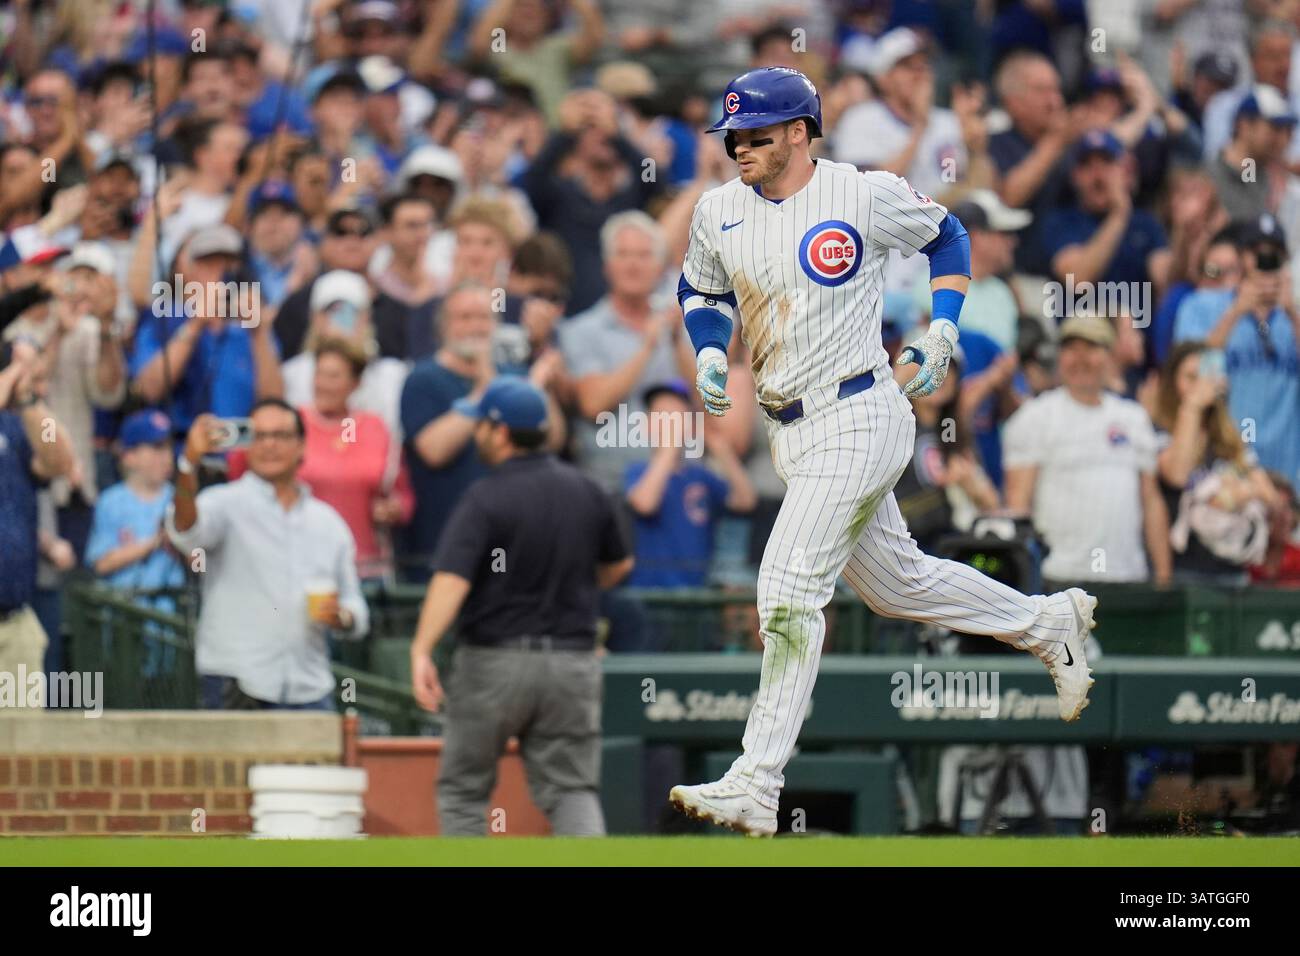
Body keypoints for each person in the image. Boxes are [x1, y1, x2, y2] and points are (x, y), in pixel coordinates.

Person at [667, 68, 1100, 837]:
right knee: (898, 586)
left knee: (788, 587)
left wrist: (942, 327)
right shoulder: (716, 209)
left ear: (800, 133)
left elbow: (949, 235)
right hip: (788, 427)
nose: (739, 147)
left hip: (863, 407)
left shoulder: (861, 193)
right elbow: (702, 293)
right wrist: (707, 351)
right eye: (731, 135)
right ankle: (1047, 621)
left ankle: (756, 782)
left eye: (757, 134)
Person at [409, 376, 634, 836]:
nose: (476, 436)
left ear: (500, 432)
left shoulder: (485, 496)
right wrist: (572, 577)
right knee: (572, 790)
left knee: (463, 791)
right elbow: (619, 564)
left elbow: (451, 579)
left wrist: (421, 649)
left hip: (494, 662)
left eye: (481, 427)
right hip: (571, 662)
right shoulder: (587, 490)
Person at [167, 399, 369, 710]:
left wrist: (342, 616)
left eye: (281, 435)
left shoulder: (328, 522)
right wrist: (188, 463)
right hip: (236, 682)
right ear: (245, 445)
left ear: (302, 446)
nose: (269, 445)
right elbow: (186, 532)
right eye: (258, 436)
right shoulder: (224, 503)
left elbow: (355, 605)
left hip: (310, 686)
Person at [1004, 316, 1172, 588]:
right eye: (1071, 349)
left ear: (1109, 355)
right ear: (1059, 357)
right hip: (1057, 576)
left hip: (1127, 575)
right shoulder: (1034, 417)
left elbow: (1151, 500)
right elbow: (1018, 502)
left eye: (1091, 349)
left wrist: (1164, 577)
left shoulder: (1133, 418)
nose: (1080, 359)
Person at [559, 211, 693, 492]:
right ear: (607, 266)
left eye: (644, 255)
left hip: (681, 486)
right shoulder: (581, 330)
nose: (633, 264)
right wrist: (647, 347)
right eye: (623, 254)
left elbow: (711, 407)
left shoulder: (684, 327)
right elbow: (593, 404)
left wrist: (678, 343)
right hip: (607, 485)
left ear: (660, 267)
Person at [1173, 213, 1300, 488]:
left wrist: (1292, 312)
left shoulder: (1293, 318)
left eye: (1274, 255)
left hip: (1287, 470)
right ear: (1241, 258)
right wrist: (1236, 312)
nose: (1265, 263)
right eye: (1257, 253)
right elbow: (1188, 372)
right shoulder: (1202, 306)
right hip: (1224, 467)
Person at [1152, 341, 1277, 585]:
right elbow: (1177, 474)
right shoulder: (1158, 430)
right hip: (1184, 573)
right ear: (1172, 382)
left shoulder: (1229, 439)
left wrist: (1231, 496)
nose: (1200, 385)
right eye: (1191, 377)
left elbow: (1269, 495)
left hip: (1233, 572)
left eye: (1205, 376)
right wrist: (1193, 406)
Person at [296, 338, 413, 583]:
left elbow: (403, 494)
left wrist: (395, 508)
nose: (323, 384)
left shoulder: (375, 427)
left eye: (334, 376)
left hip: (366, 567)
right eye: (319, 374)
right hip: (302, 564)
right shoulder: (292, 423)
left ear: (355, 383)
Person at [623, 380, 756, 588]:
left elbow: (745, 501)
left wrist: (719, 447)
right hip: (649, 594)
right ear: (646, 426)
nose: (670, 424)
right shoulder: (637, 471)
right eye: (662, 417)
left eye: (677, 418)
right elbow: (644, 503)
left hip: (696, 593)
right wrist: (670, 448)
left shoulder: (700, 476)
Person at [84, 409, 186, 674]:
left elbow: (200, 562)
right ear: (129, 456)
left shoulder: (181, 499)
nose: (166, 456)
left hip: (170, 621)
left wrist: (183, 547)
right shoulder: (111, 501)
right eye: (155, 448)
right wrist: (155, 542)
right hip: (123, 623)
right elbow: (101, 563)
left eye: (168, 447)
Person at [0, 341, 75, 686]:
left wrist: (28, 399)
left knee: (28, 740)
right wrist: (15, 370)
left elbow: (59, 462)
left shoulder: (13, 429)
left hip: (13, 622)